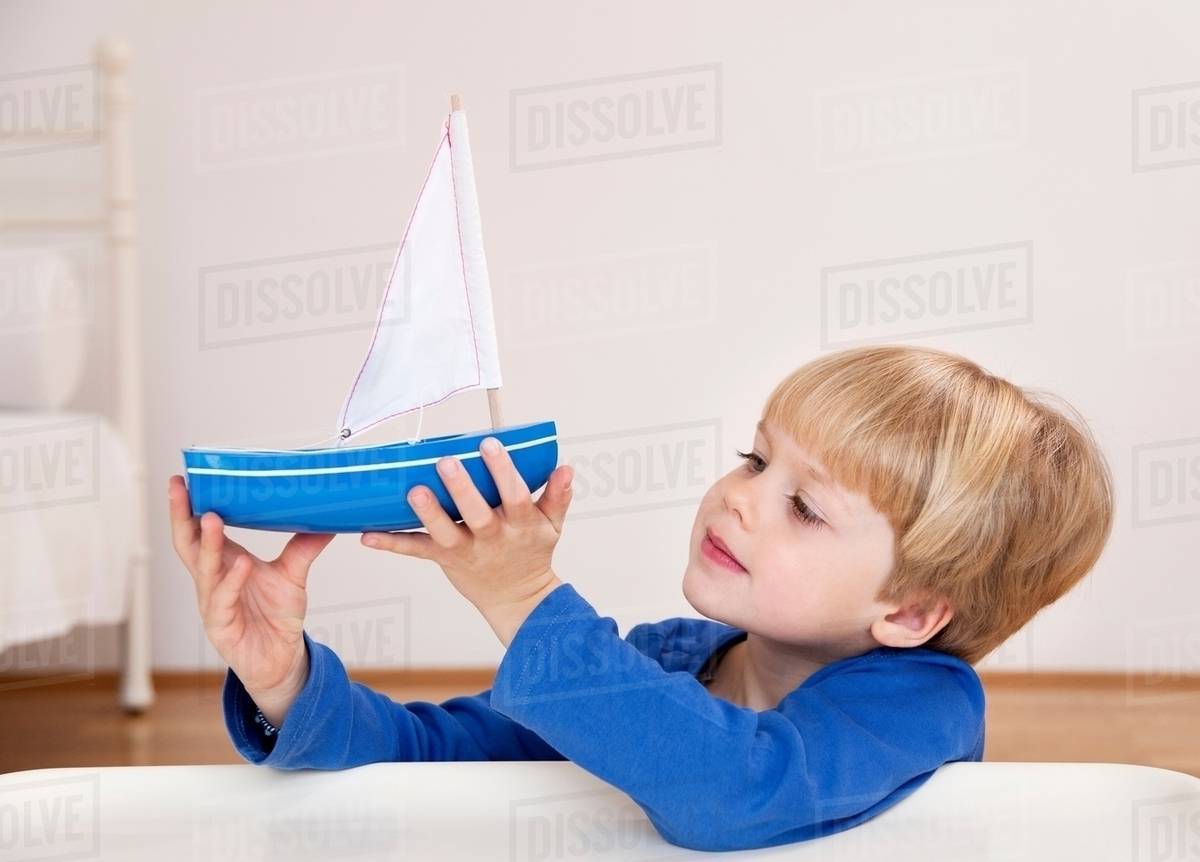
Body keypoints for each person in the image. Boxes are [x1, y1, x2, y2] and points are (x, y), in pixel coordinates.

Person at [166, 344, 1114, 852]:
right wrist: (286, 682)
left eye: (804, 508)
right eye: (755, 456)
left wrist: (528, 599)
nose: (739, 496)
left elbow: (733, 790)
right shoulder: (666, 661)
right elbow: (440, 758)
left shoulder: (921, 705)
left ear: (909, 614)